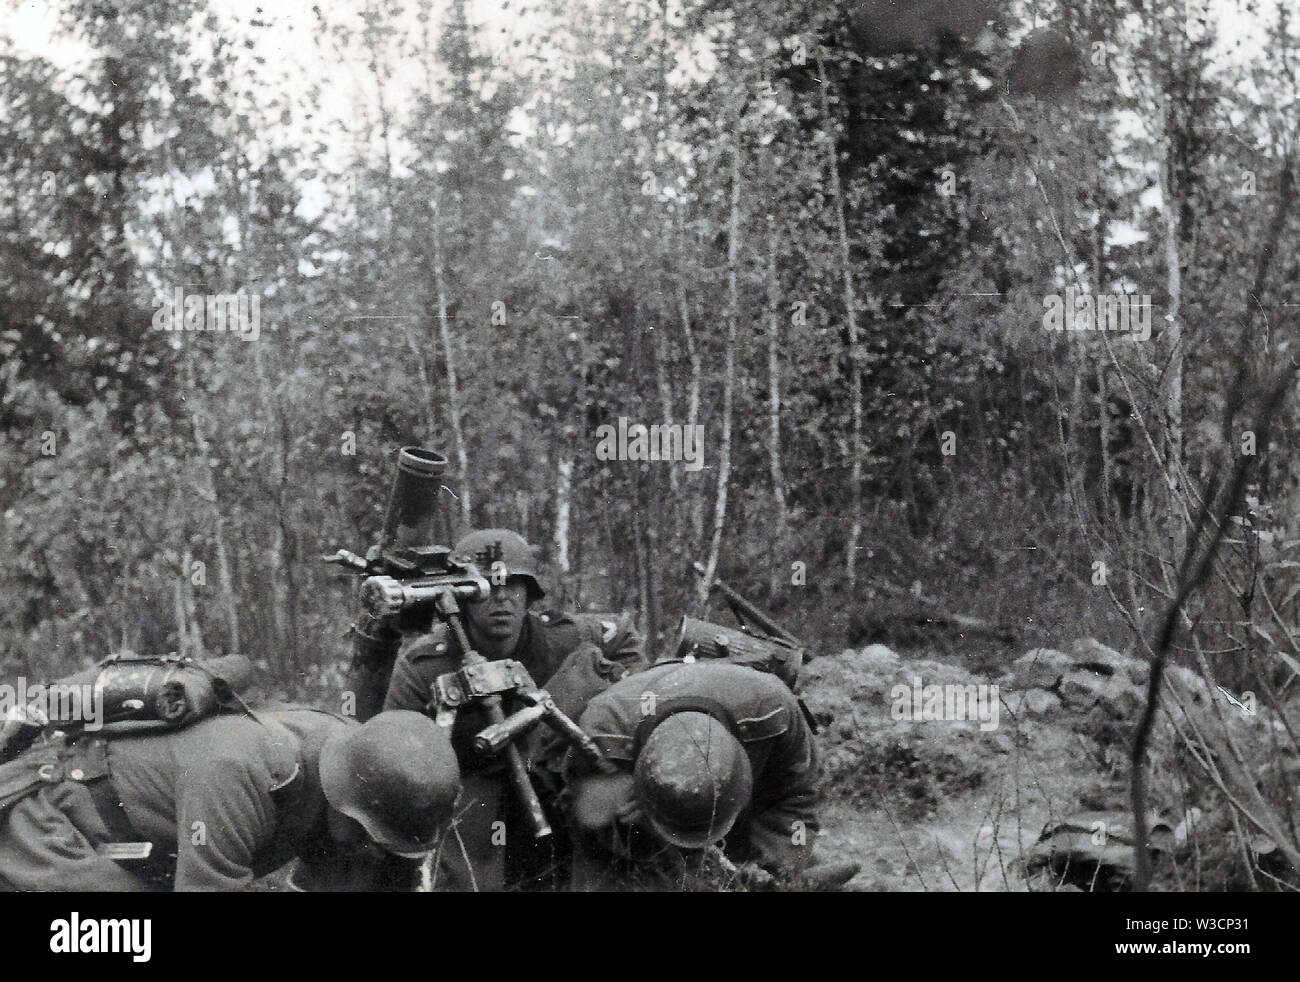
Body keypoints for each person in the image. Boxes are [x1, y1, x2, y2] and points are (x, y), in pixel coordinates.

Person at [382, 528, 647, 890]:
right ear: (461, 597)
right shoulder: (424, 666)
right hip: (473, 799)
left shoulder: (563, 639)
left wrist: (625, 739)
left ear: (529, 595)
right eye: (486, 588)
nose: (501, 598)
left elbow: (626, 641)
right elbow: (393, 761)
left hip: (560, 785)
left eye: (513, 586)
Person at [0, 708, 460, 891]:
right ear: (350, 811)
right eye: (373, 842)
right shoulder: (241, 774)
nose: (371, 853)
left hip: (142, 848)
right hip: (50, 823)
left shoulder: (344, 760)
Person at [564, 659, 826, 891]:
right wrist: (631, 828)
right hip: (641, 815)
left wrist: (782, 866)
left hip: (739, 800)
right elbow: (585, 818)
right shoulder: (603, 735)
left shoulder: (774, 709)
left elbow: (802, 792)